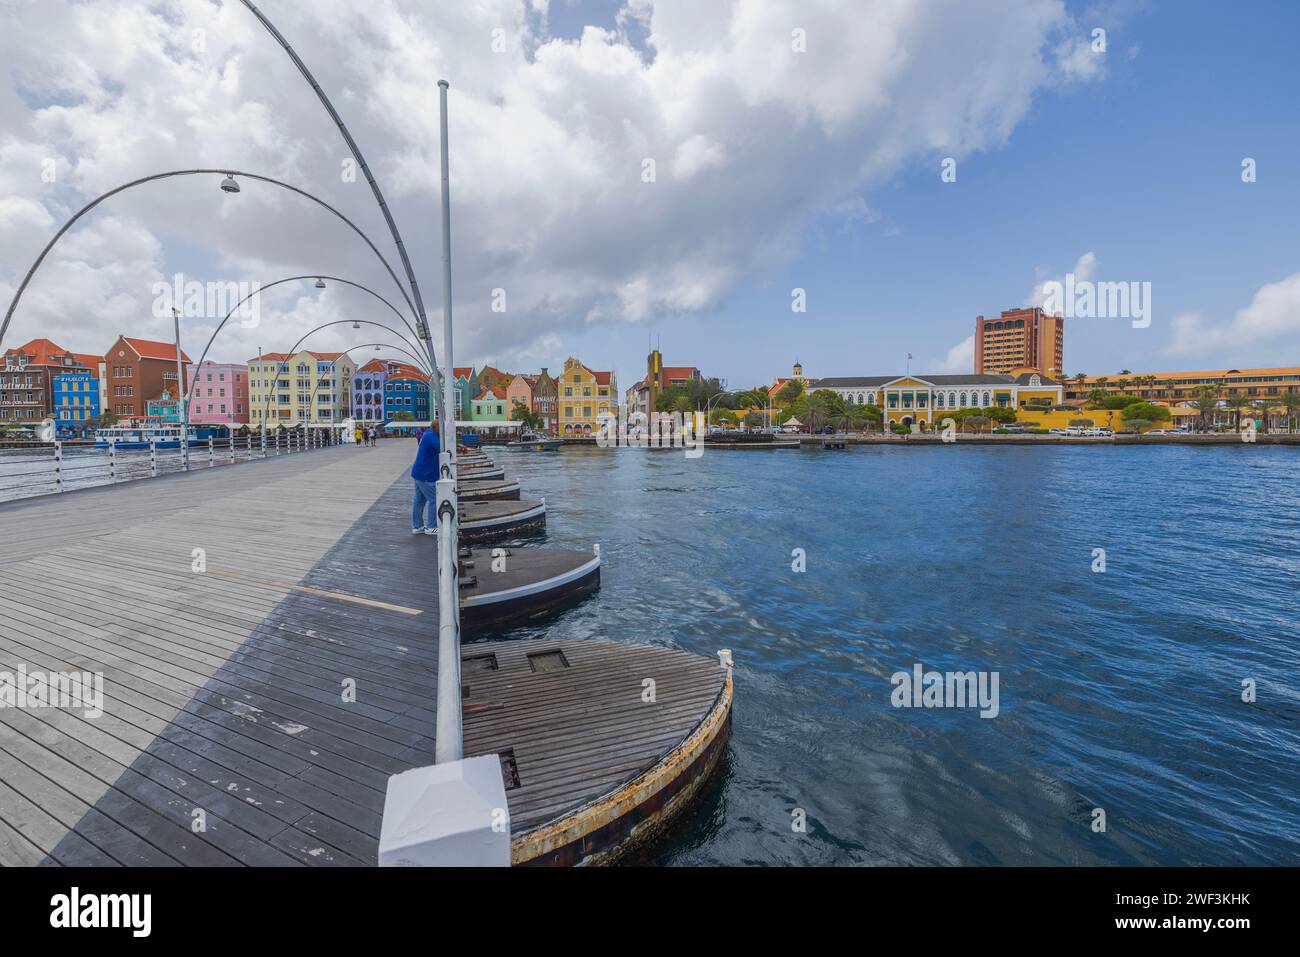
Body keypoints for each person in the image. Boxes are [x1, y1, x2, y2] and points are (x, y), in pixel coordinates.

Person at [410, 421, 441, 534]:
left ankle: (417, 526)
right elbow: (442, 447)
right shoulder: (431, 436)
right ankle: (431, 526)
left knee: (419, 500)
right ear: (437, 428)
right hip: (426, 475)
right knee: (434, 499)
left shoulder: (428, 434)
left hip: (419, 472)